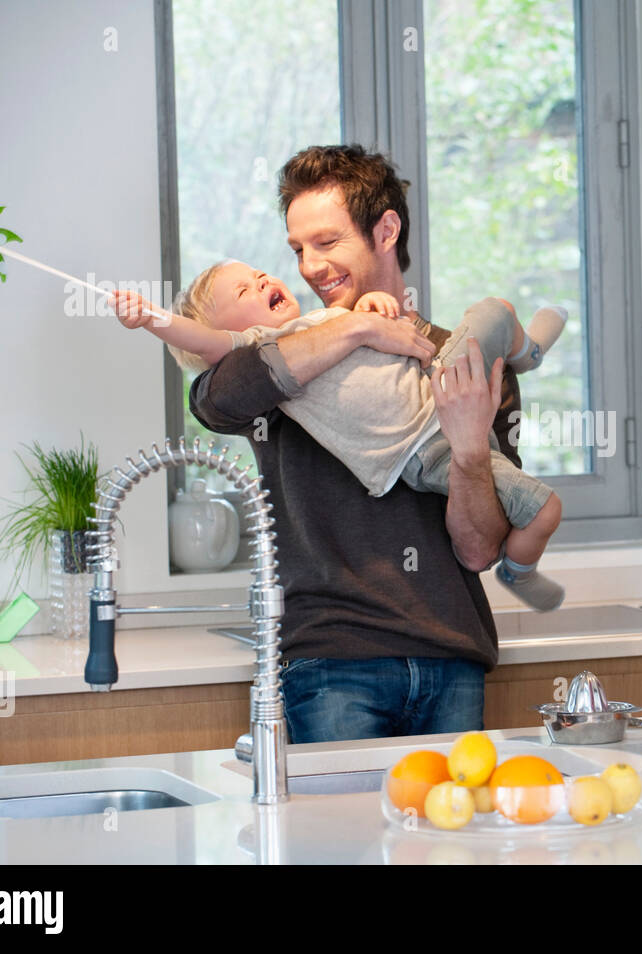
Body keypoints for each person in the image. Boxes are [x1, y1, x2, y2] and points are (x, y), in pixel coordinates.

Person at [189, 144, 527, 742]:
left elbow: (479, 552)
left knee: (447, 837)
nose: (310, 267)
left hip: (451, 656)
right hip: (330, 662)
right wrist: (360, 328)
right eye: (298, 249)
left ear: (385, 229)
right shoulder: (280, 358)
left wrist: (472, 449)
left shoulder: (469, 363)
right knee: (341, 839)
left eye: (326, 242)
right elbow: (214, 399)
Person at [113, 267, 566, 611]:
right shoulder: (265, 347)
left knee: (497, 311)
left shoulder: (325, 318)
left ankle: (528, 352)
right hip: (427, 452)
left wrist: (372, 307)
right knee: (545, 510)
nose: (265, 278)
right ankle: (519, 574)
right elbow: (207, 350)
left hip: (440, 382)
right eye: (244, 290)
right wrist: (152, 318)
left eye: (257, 274)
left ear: (385, 230)